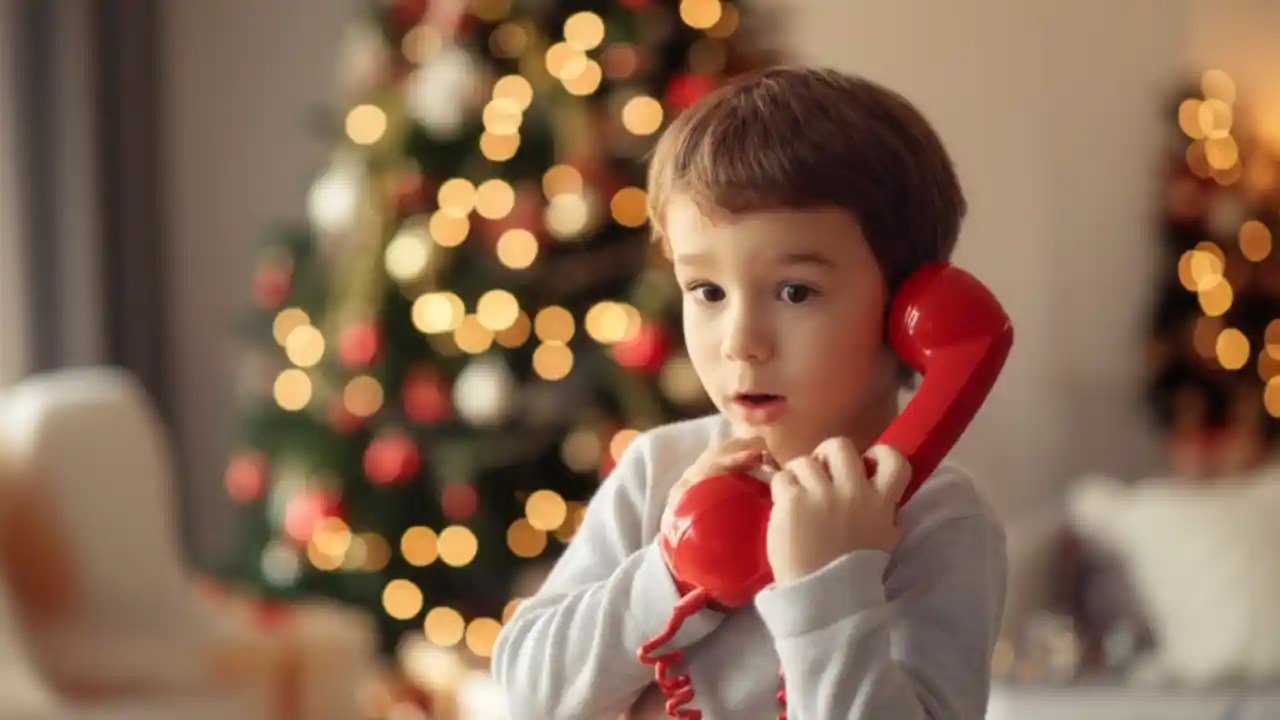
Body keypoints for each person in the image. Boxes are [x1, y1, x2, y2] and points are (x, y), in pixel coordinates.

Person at [491, 66, 1008, 719]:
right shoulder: (660, 473)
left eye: (795, 291)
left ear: (910, 310)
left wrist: (831, 587)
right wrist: (673, 574)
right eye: (706, 291)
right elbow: (526, 693)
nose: (741, 341)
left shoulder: (939, 522)